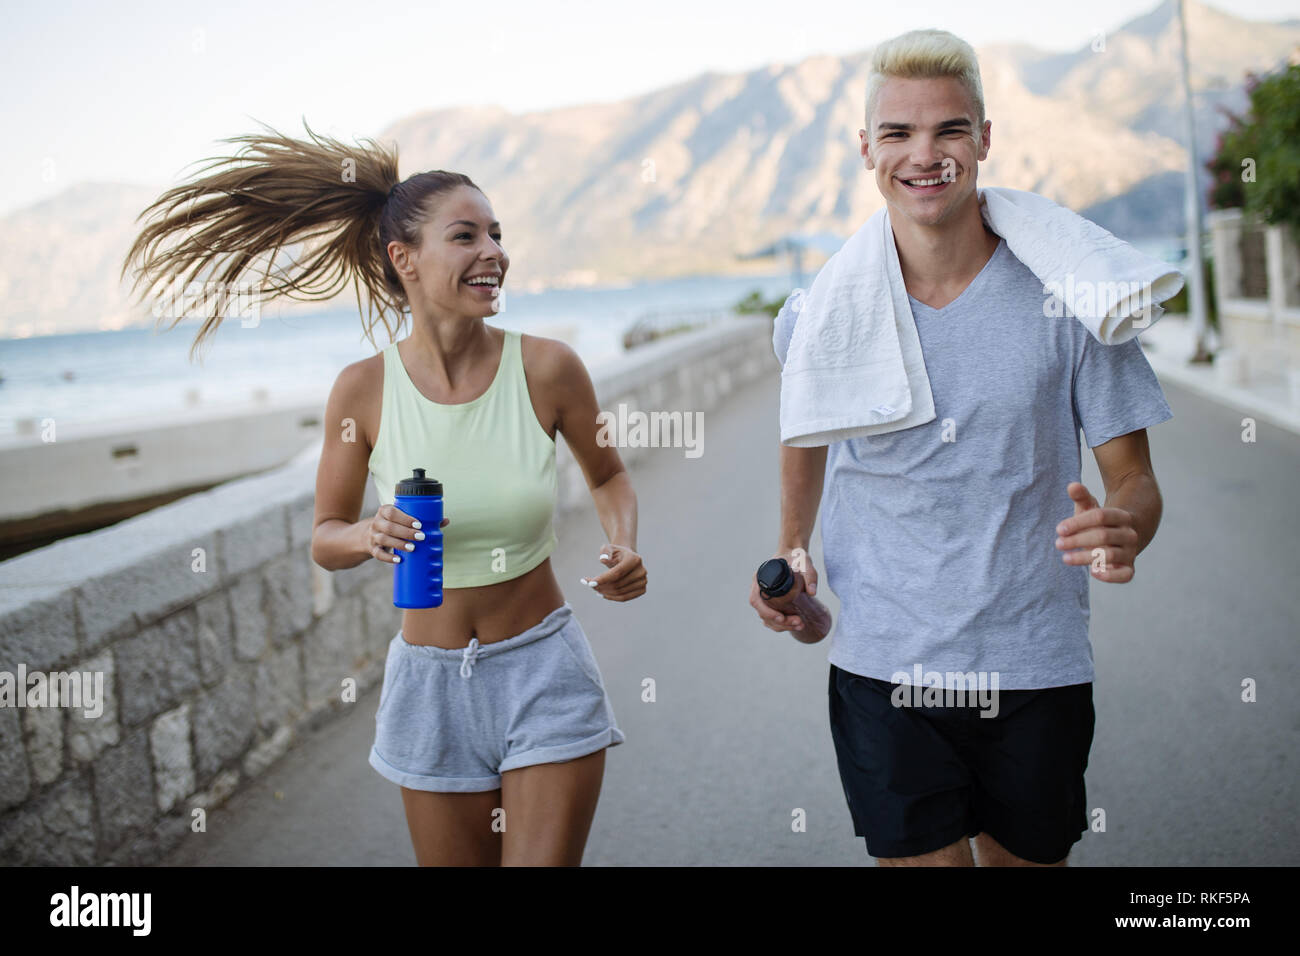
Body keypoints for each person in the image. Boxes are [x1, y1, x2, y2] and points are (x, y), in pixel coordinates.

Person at [121, 120, 647, 866]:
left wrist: (623, 541)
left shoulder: (549, 369)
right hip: (429, 690)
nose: (494, 252)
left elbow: (610, 476)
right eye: (466, 236)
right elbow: (324, 536)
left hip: (542, 669)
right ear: (404, 258)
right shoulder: (362, 392)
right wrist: (368, 534)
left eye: (496, 234)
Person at [749, 29, 1172, 867]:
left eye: (949, 129)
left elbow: (1135, 480)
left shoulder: (1074, 297)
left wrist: (1125, 526)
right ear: (867, 148)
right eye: (899, 133)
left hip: (1035, 665)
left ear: (984, 138)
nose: (925, 154)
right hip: (885, 669)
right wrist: (792, 547)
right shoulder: (821, 314)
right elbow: (807, 430)